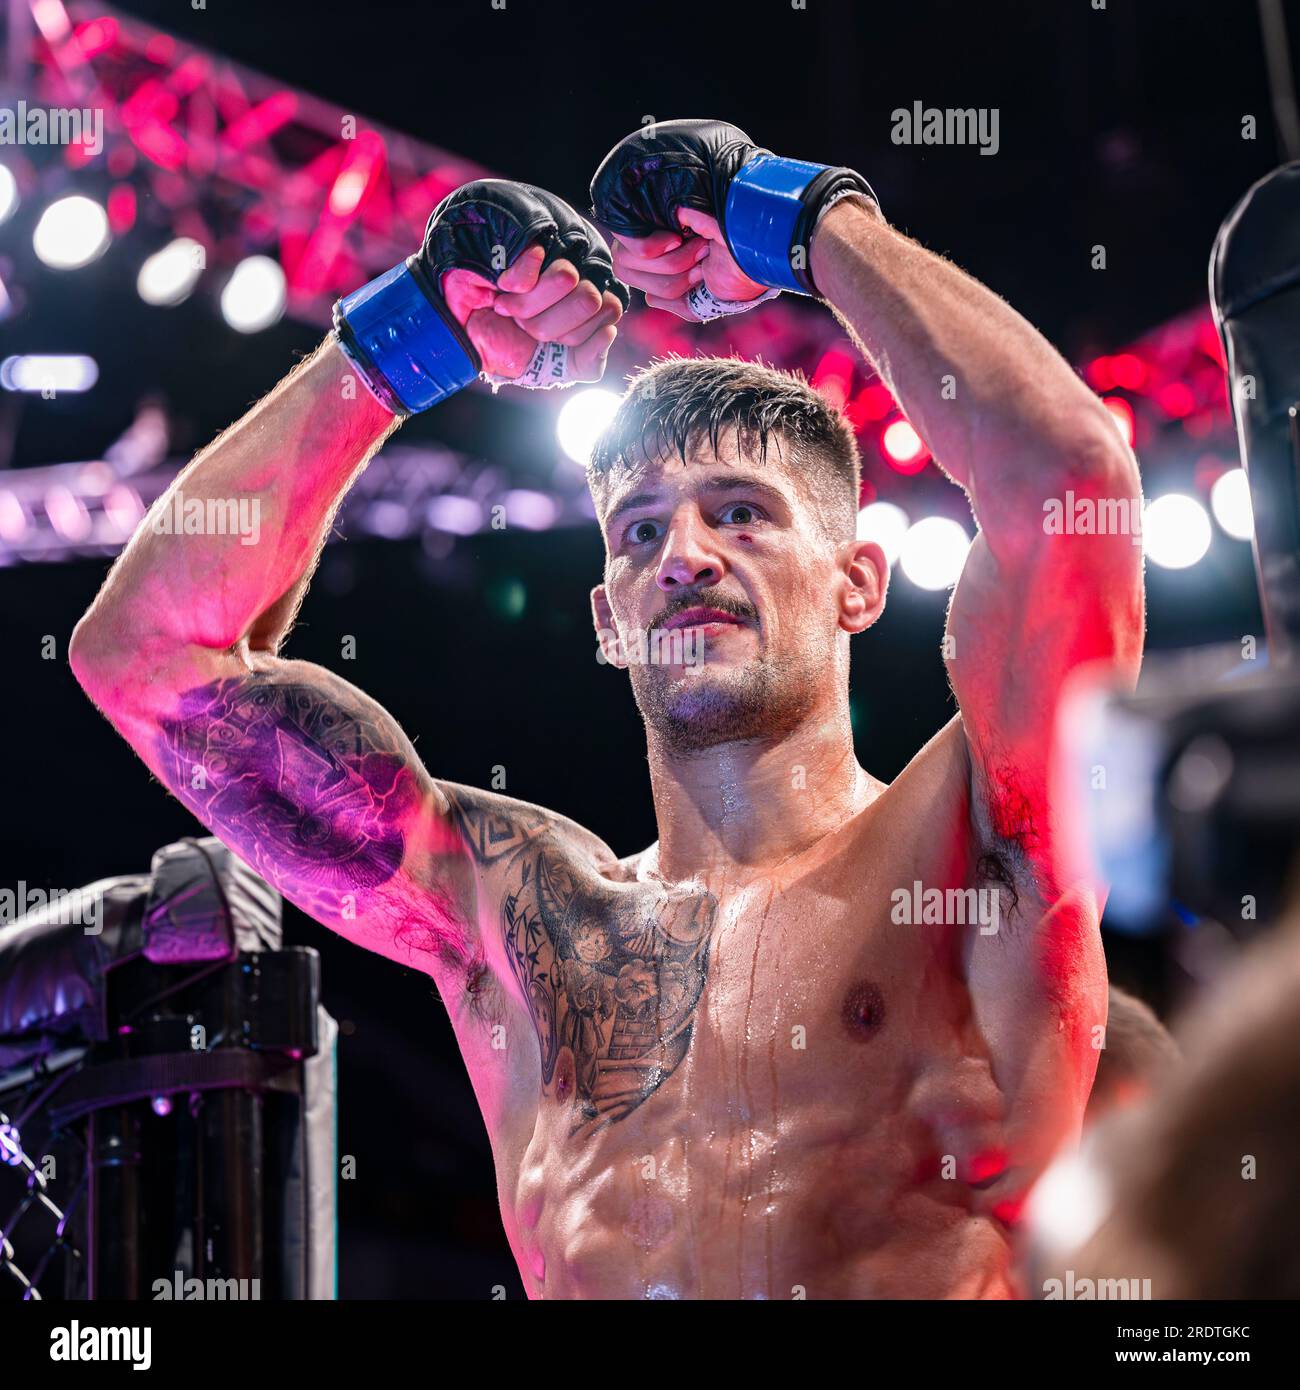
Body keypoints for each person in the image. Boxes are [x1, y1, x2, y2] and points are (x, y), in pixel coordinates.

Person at [69, 121, 1144, 1299]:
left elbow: (1070, 480)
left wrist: (801, 219)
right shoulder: (513, 913)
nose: (683, 554)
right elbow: (145, 656)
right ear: (605, 616)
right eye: (641, 531)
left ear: (858, 583)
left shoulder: (981, 837)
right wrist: (402, 341)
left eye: (741, 513)